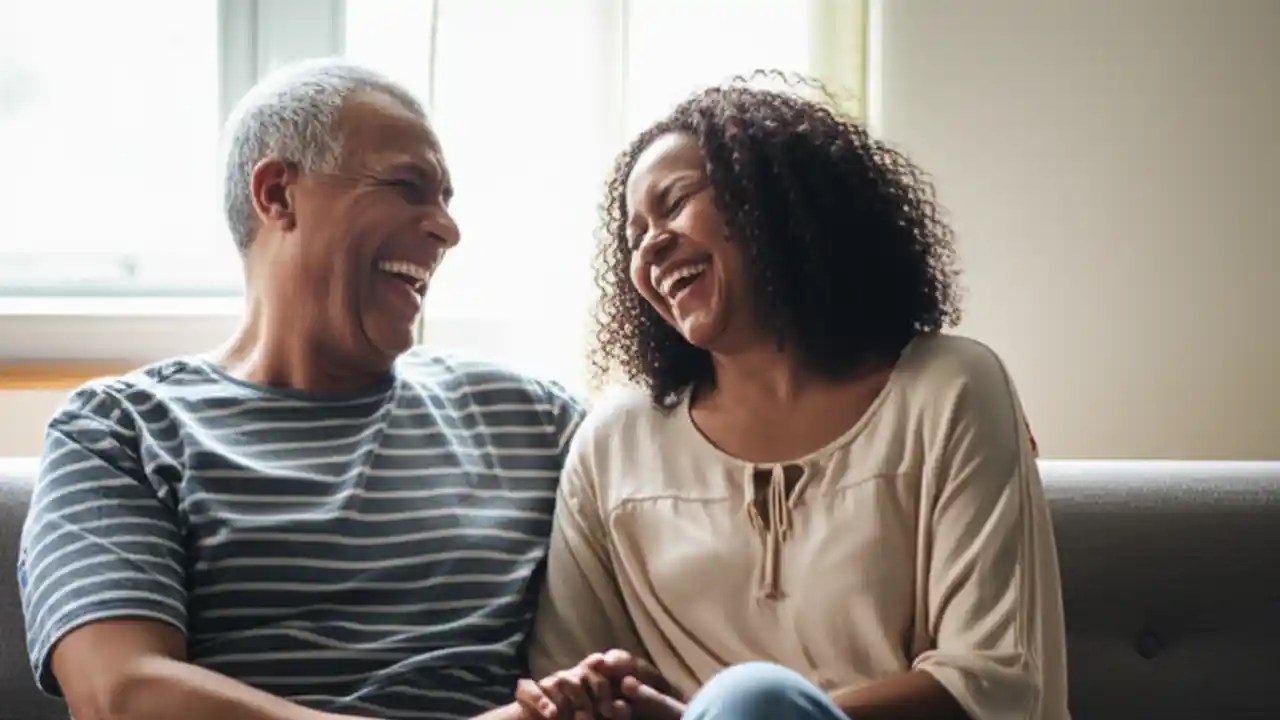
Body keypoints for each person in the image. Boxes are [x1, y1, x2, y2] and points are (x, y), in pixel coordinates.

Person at [17, 60, 585, 720]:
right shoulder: (119, 431)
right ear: (278, 194)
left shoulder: (533, 420)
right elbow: (121, 693)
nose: (446, 230)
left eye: (446, 203)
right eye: (408, 187)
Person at [517, 74, 1070, 720]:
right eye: (633, 234)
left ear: (774, 202)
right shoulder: (613, 442)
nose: (650, 245)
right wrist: (590, 692)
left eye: (674, 204)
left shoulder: (950, 390)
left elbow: (994, 682)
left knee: (751, 698)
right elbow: (564, 678)